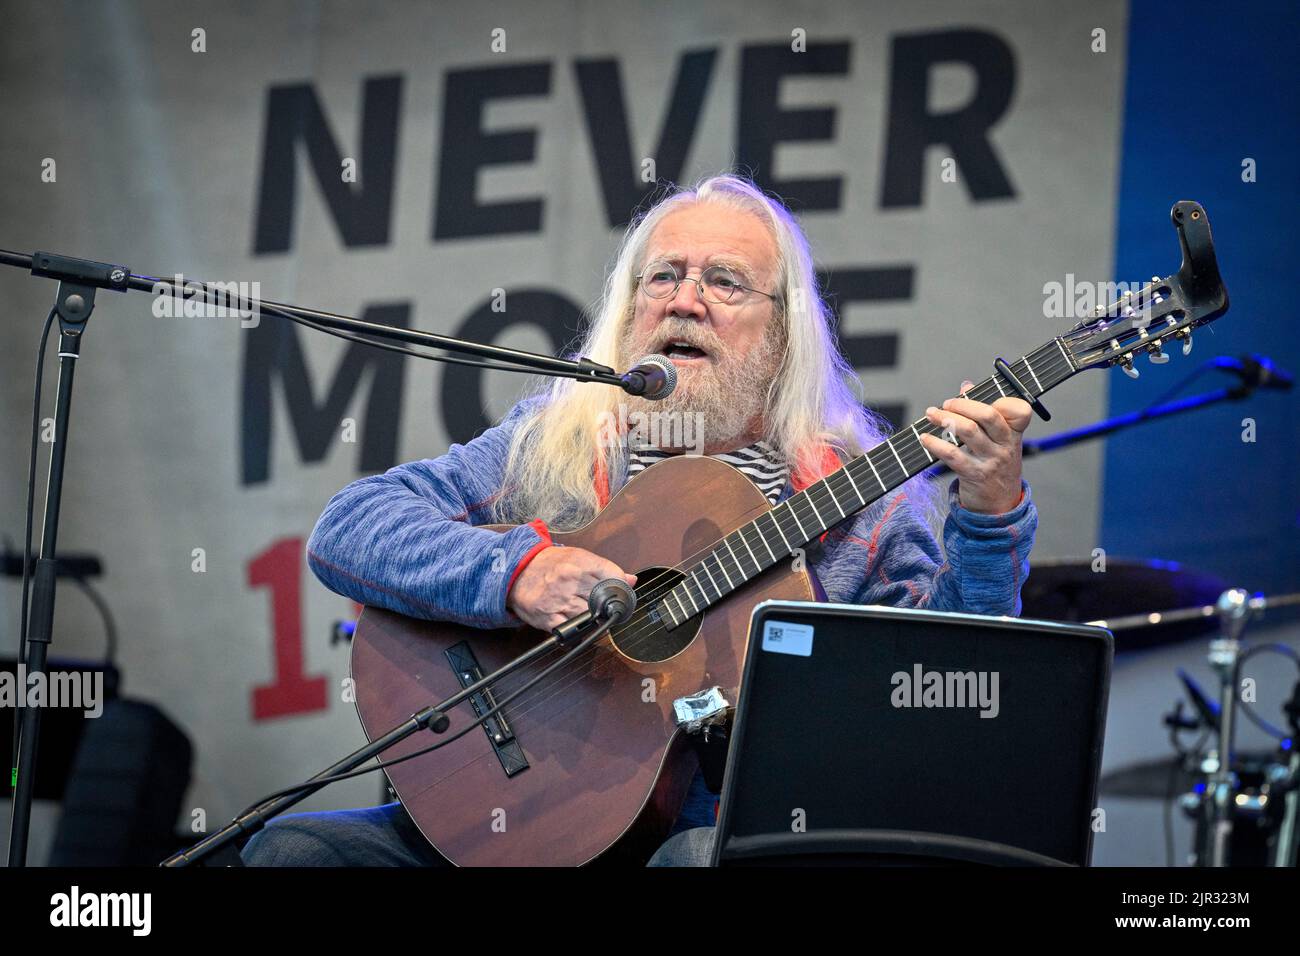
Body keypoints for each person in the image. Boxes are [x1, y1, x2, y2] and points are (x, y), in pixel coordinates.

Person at [240, 173, 1037, 867]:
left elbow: (948, 688)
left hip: (713, 833)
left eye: (724, 282)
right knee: (290, 851)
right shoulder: (552, 442)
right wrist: (516, 573)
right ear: (629, 315)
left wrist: (990, 517)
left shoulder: (866, 500)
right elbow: (350, 528)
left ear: (784, 330)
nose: (685, 300)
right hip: (513, 813)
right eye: (663, 277)